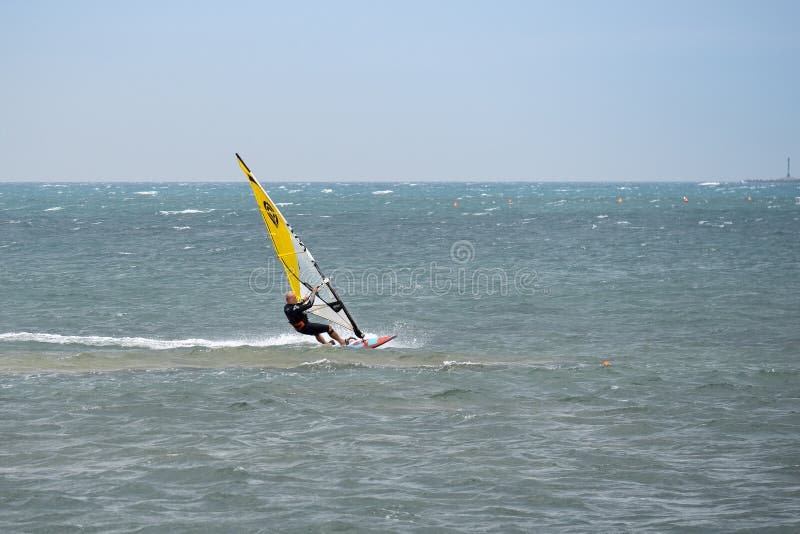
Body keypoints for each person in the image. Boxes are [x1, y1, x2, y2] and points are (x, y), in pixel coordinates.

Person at [284, 287, 349, 346]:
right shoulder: (295, 308)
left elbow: (296, 305)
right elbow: (310, 304)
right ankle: (342, 342)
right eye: (294, 298)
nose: (296, 299)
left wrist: (303, 300)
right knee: (329, 328)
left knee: (316, 332)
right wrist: (313, 293)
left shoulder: (286, 307)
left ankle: (327, 344)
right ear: (289, 299)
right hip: (306, 327)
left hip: (300, 329)